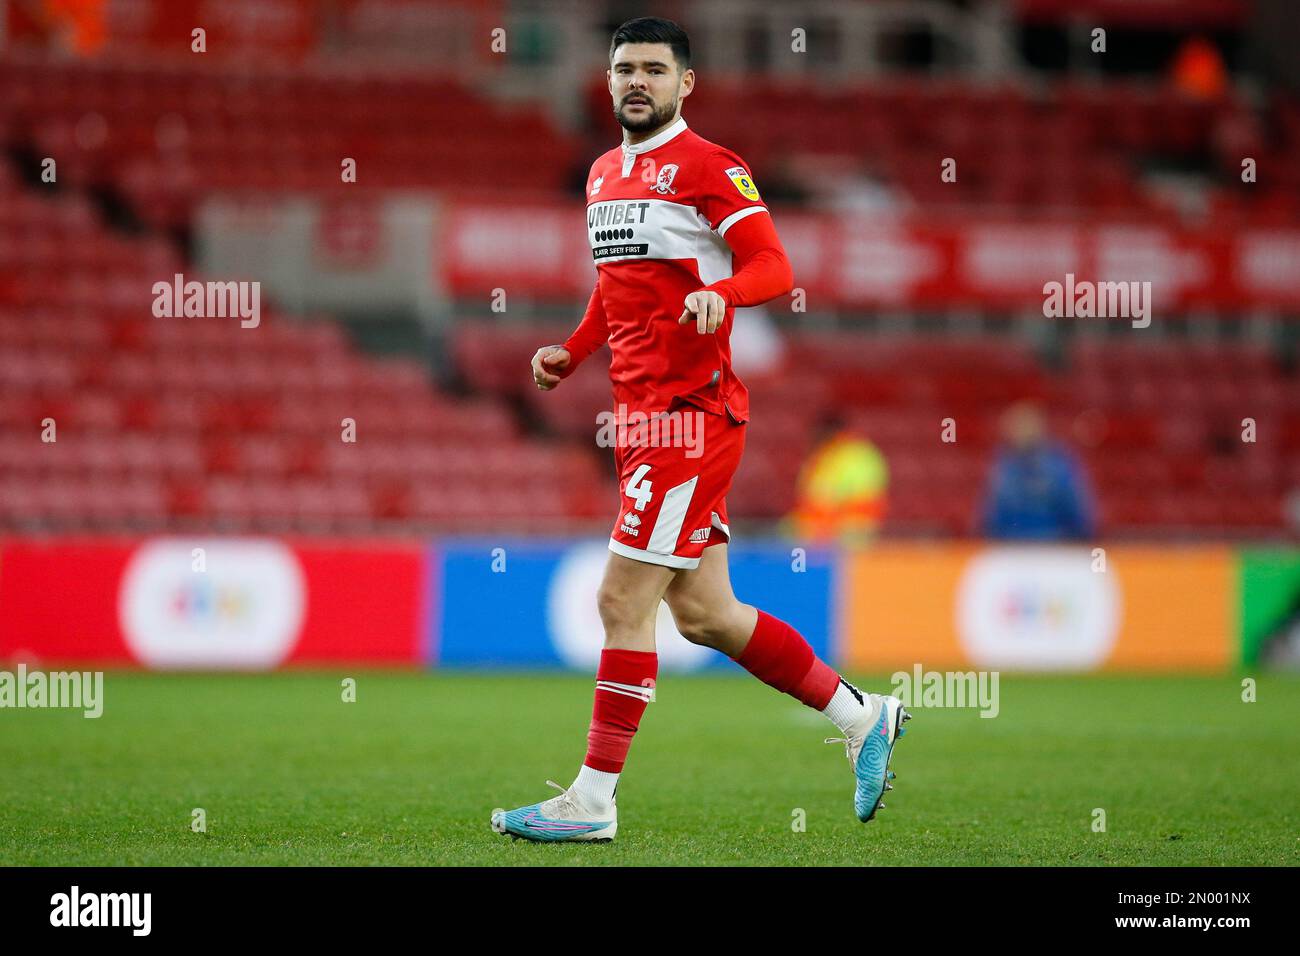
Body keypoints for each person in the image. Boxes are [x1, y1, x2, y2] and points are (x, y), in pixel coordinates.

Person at [493, 17, 909, 843]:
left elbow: (774, 265)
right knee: (708, 614)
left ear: (686, 84)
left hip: (690, 419)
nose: (636, 81)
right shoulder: (603, 175)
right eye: (624, 69)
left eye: (654, 68)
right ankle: (864, 715)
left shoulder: (711, 167)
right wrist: (571, 354)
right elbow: (616, 293)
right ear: (607, 83)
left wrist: (729, 294)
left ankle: (591, 801)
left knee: (620, 599)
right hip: (640, 417)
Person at [981, 402, 1096, 541]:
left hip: (1056, 545)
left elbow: (1078, 514)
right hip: (1011, 546)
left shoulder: (1060, 464)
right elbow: (991, 517)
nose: (1024, 432)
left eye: (1028, 427)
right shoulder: (1003, 467)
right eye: (1018, 427)